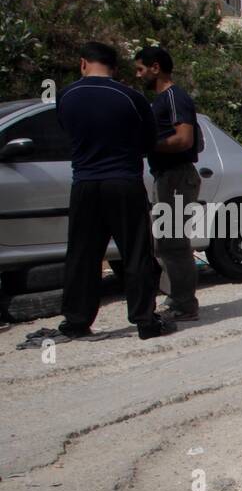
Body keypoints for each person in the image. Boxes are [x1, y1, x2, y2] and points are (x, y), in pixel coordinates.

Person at [56, 41, 175, 340]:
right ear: (114, 67)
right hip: (123, 182)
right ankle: (145, 321)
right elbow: (149, 141)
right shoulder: (131, 97)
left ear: (83, 63)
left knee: (82, 254)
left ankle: (76, 321)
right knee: (135, 253)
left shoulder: (66, 96)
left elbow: (66, 132)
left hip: (84, 182)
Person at [135, 45, 203, 322]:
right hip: (166, 176)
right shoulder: (160, 100)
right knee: (166, 242)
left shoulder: (175, 97)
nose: (138, 75)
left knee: (173, 243)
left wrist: (147, 144)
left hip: (176, 175)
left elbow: (184, 139)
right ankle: (178, 299)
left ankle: (184, 304)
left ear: (155, 67)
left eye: (141, 69)